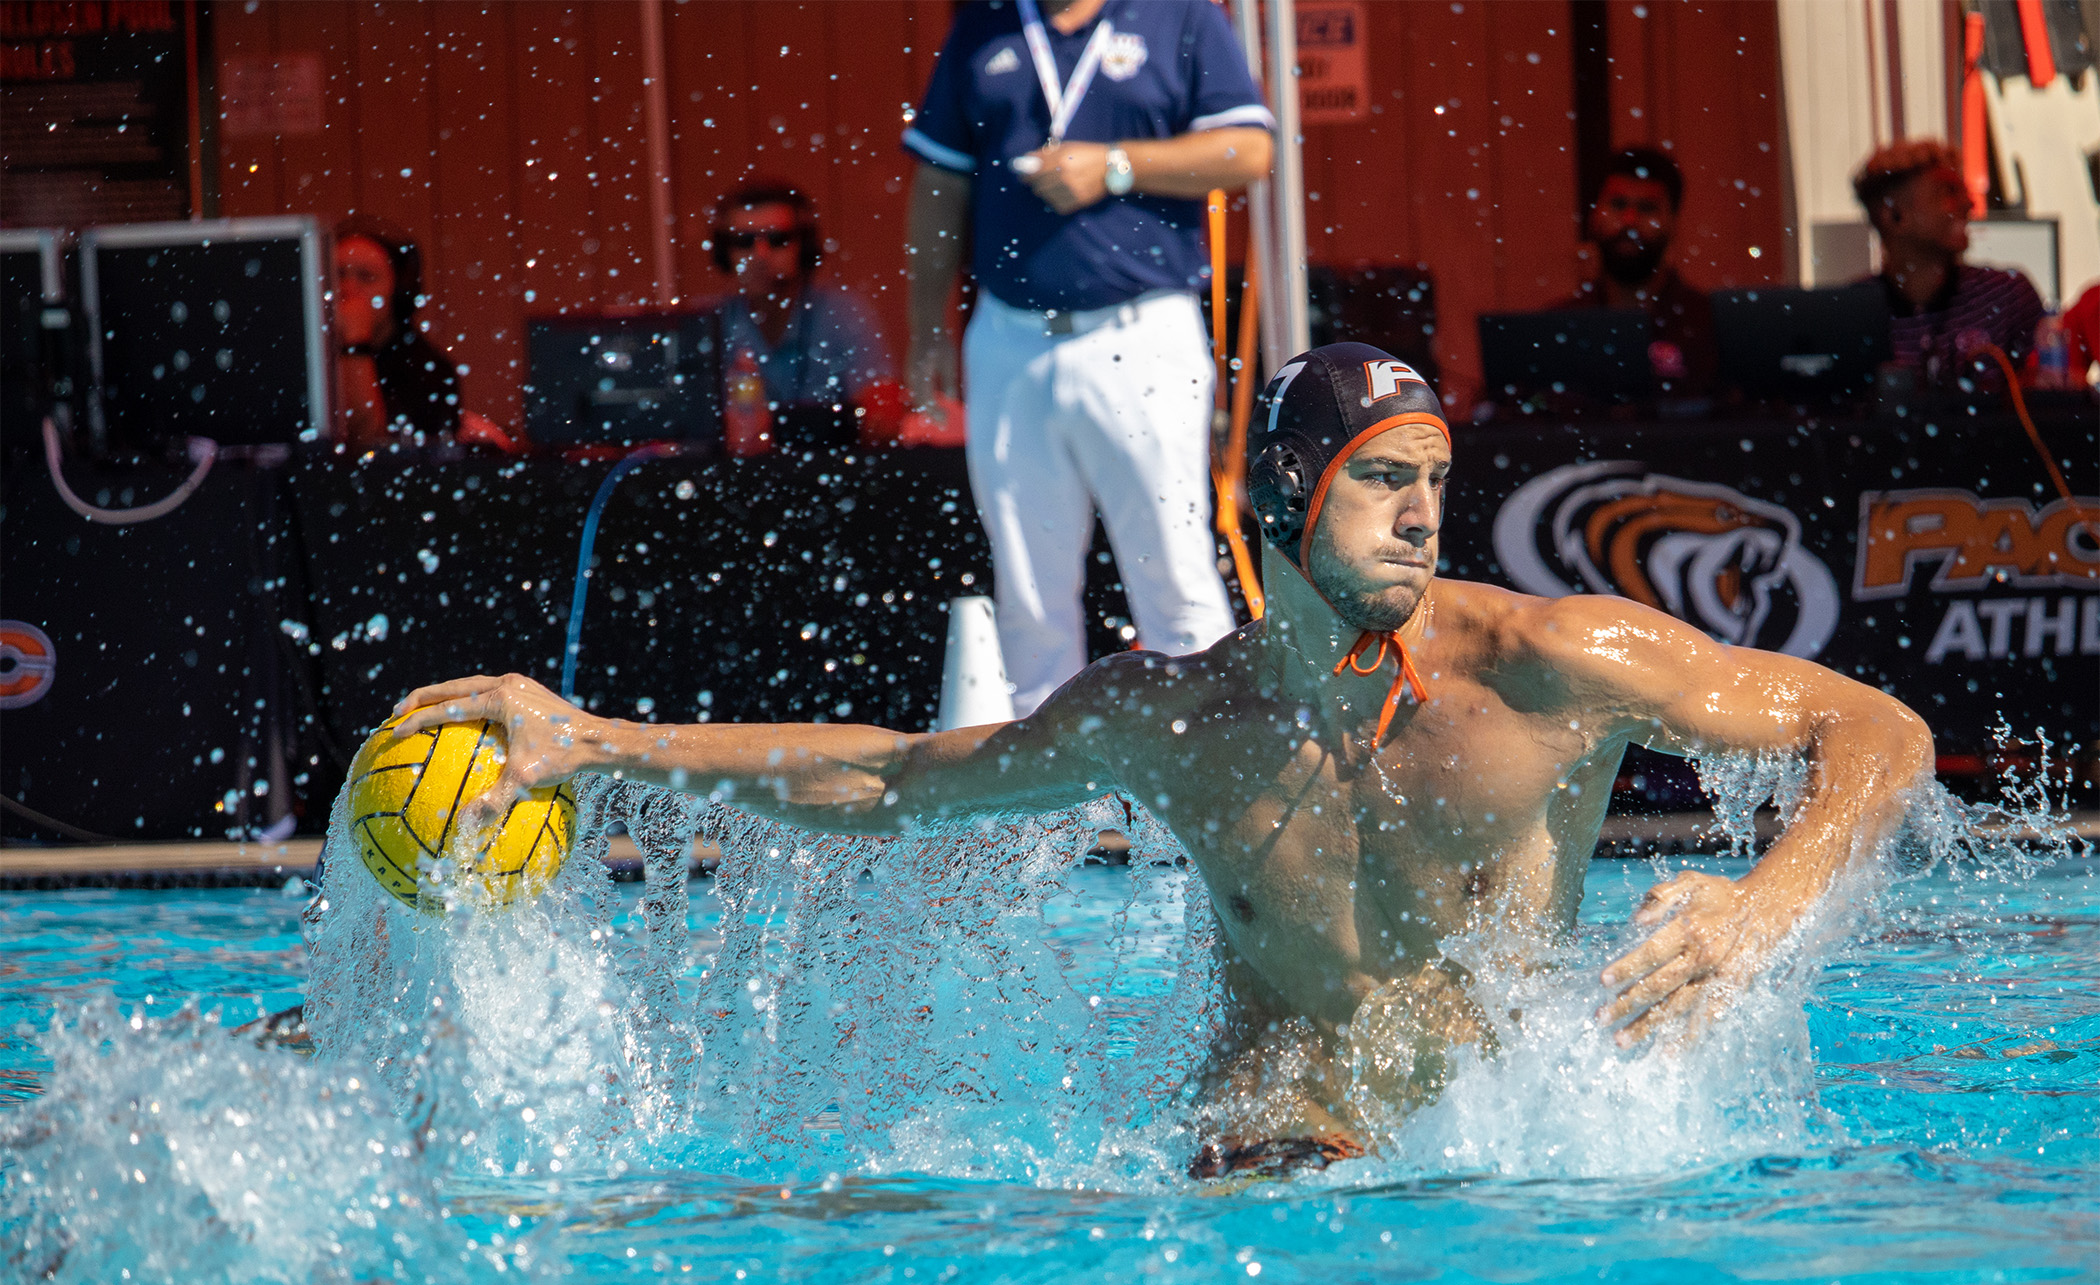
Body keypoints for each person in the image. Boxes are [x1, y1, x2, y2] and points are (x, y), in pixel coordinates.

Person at [392, 342, 1935, 1179]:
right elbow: (901, 780)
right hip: (1266, 1160)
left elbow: (1881, 730)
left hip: (1507, 1159)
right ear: (1285, 497)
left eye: (1436, 480)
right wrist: (598, 743)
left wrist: (1760, 909)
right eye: (1382, 481)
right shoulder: (1177, 718)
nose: (1423, 514)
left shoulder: (1549, 663)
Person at [901, 0, 1275, 713]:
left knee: (1173, 570)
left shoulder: (1179, 14)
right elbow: (940, 181)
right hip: (1009, 334)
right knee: (1027, 590)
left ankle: (1209, 759)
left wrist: (1117, 166)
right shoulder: (985, 22)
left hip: (1140, 333)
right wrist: (924, 329)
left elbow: (1248, 150)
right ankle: (1048, 776)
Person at [1852, 139, 2045, 395]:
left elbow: (2047, 400)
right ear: (1895, 216)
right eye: (1948, 193)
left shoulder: (2007, 297)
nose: (1969, 204)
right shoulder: (1853, 314)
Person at [710, 181, 895, 444]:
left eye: (777, 239)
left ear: (804, 247)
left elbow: (884, 412)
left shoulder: (843, 313)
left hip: (831, 464)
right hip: (741, 469)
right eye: (744, 241)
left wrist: (870, 418)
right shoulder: (712, 322)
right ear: (724, 251)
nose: (760, 254)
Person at [1555, 146, 1716, 397]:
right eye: (1618, 205)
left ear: (1673, 222)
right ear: (1595, 215)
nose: (1629, 221)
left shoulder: (1710, 328)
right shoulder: (1560, 328)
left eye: (1647, 208)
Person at [333, 218, 464, 448]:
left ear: (399, 291)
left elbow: (368, 445)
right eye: (338, 275)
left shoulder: (428, 370)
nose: (347, 290)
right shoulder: (307, 357)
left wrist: (355, 343)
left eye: (366, 277)